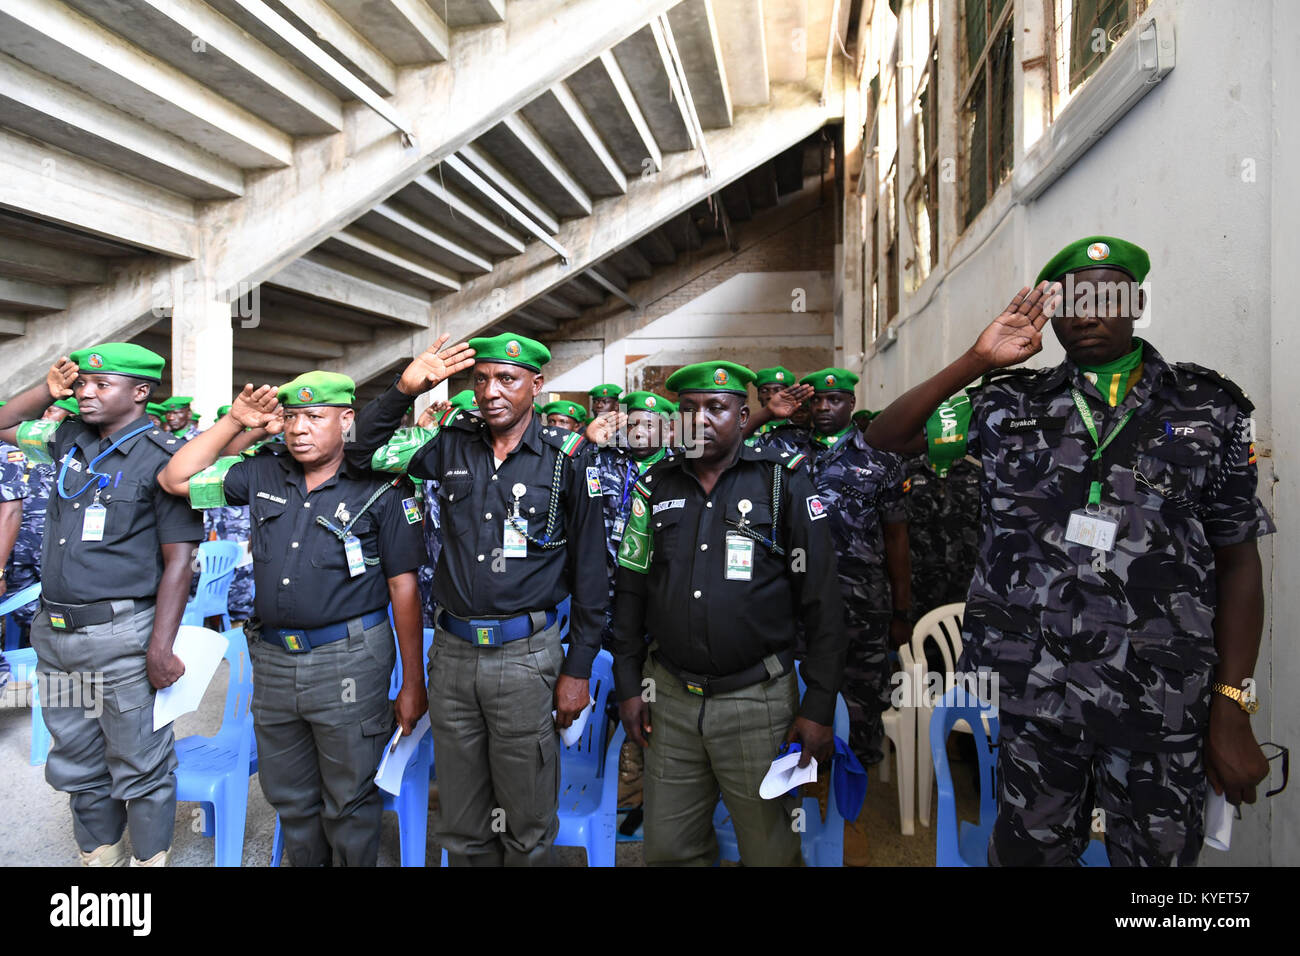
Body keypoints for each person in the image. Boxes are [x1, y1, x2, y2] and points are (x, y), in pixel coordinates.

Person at [866, 236, 1276, 866]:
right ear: (1052, 314)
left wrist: (1232, 705)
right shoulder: (1007, 403)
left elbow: (1238, 565)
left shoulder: (1208, 407)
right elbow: (887, 439)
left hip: (1159, 702)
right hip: (1037, 700)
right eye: (1071, 299)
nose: (1087, 312)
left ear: (1136, 301)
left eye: (1106, 295)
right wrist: (978, 359)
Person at [349, 332, 607, 866]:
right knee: (463, 826)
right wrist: (404, 387)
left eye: (508, 379)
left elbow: (591, 576)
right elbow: (360, 453)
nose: (492, 391)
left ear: (536, 385)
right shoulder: (450, 444)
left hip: (526, 659)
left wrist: (577, 669)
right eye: (482, 378)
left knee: (528, 826)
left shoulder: (568, 461)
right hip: (453, 655)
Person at [159, 372, 427, 866]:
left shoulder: (383, 484)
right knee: (291, 797)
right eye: (290, 417)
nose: (299, 428)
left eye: (314, 417)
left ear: (347, 420)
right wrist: (236, 423)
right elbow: (175, 479)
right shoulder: (263, 472)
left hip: (350, 659)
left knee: (348, 799)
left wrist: (413, 682)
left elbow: (403, 587)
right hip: (275, 660)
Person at [609, 360, 847, 866]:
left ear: (743, 417)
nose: (700, 420)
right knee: (670, 850)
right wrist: (629, 683)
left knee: (769, 853)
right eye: (688, 409)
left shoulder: (782, 486)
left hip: (757, 704)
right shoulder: (654, 487)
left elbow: (824, 603)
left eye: (716, 408)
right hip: (669, 701)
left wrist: (819, 703)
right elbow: (630, 591)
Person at [0, 343, 202, 867]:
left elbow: (179, 561)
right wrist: (47, 391)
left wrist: (160, 646)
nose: (85, 392)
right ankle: (100, 859)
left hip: (120, 637)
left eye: (100, 384)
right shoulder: (67, 440)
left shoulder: (164, 459)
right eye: (80, 384)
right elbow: (2, 423)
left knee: (139, 761)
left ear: (139, 393)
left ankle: (149, 862)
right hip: (59, 635)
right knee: (77, 755)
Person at [799, 367, 911, 768]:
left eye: (834, 400)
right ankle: (806, 784)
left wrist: (901, 611)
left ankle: (855, 784)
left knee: (862, 702)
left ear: (851, 404)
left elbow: (897, 539)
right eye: (817, 400)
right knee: (802, 697)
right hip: (800, 606)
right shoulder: (789, 455)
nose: (824, 406)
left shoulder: (881, 461)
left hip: (863, 605)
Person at [0, 399, 70, 648]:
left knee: (55, 619)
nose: (45, 416)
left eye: (53, 410)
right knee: (25, 616)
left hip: (51, 551)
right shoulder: (16, 449)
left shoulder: (67, 453)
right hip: (17, 552)